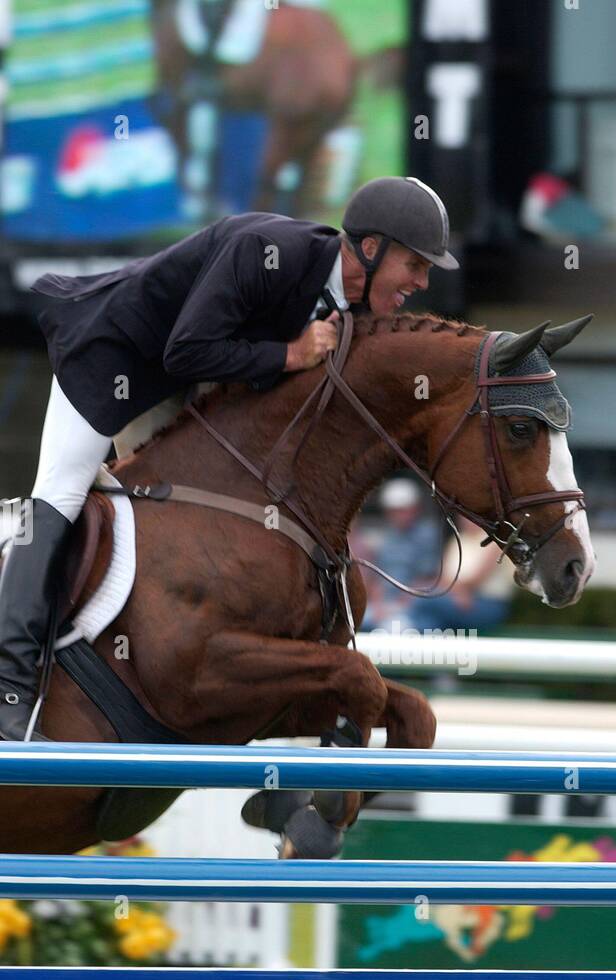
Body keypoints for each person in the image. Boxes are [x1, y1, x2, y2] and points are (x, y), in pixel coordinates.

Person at [0, 176, 458, 739]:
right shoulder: (264, 252)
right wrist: (290, 353)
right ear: (370, 248)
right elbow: (187, 349)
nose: (422, 281)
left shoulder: (356, 306)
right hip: (112, 357)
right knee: (60, 494)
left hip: (183, 380)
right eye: (415, 264)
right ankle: (10, 685)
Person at [402, 514, 514, 633]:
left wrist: (457, 590)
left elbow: (476, 580)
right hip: (454, 598)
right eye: (463, 517)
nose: (466, 520)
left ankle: (401, 630)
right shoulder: (457, 540)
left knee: (423, 601)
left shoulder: (495, 542)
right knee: (429, 620)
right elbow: (443, 576)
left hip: (487, 603)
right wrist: (458, 593)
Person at [360, 479, 443, 630]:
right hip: (384, 606)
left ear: (415, 509)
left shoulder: (427, 534)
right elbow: (377, 577)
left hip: (414, 606)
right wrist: (378, 605)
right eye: (393, 510)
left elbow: (427, 579)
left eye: (402, 509)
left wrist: (398, 606)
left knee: (395, 628)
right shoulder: (387, 536)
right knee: (354, 623)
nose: (398, 515)